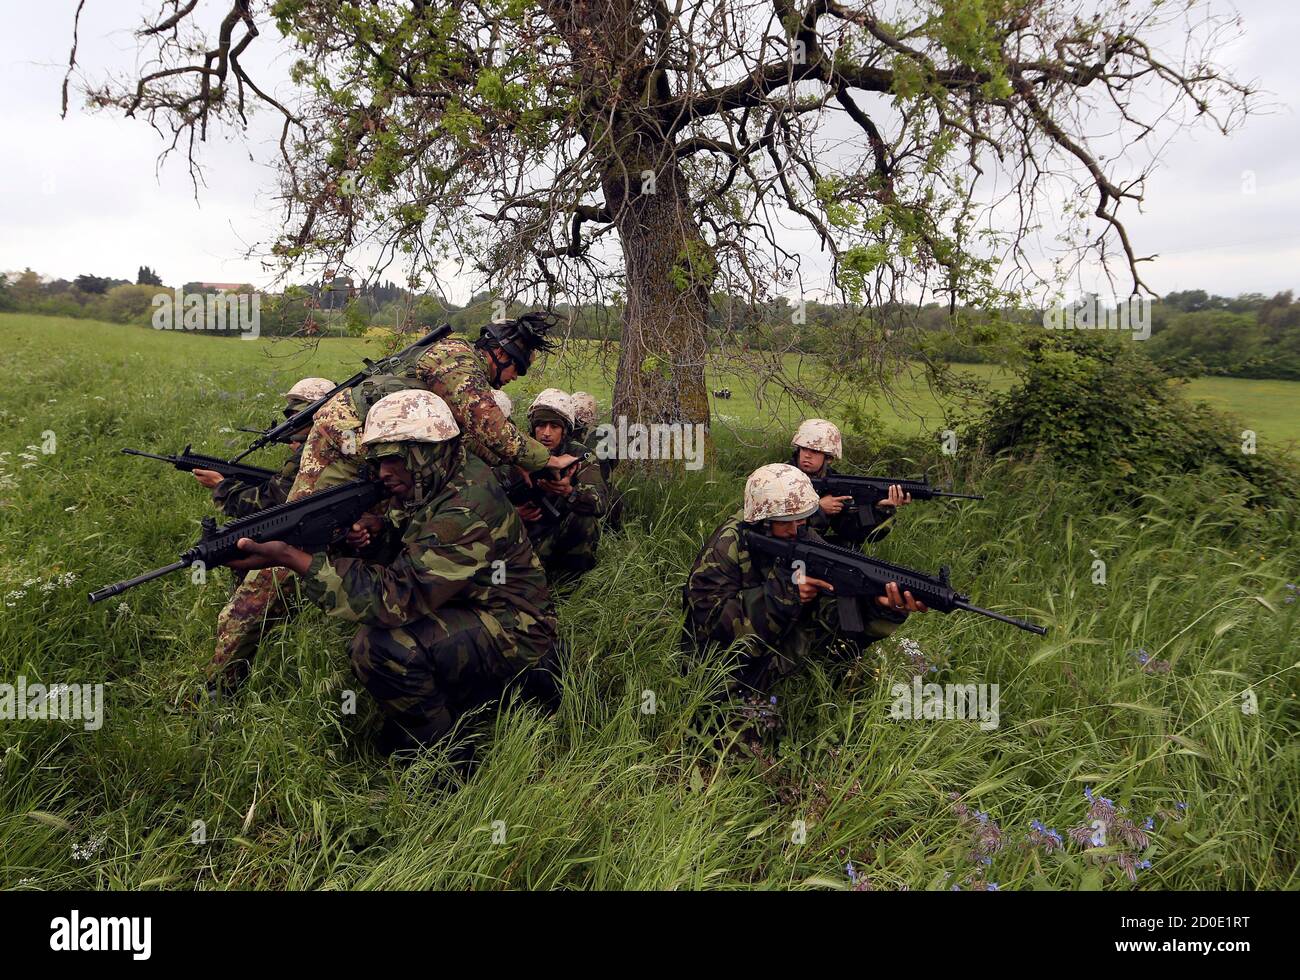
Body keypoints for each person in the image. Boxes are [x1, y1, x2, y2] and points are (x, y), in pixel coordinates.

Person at [207, 313, 570, 688]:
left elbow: (468, 437)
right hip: (350, 444)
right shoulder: (458, 358)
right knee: (294, 538)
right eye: (518, 370)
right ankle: (226, 667)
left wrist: (517, 463)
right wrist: (547, 460)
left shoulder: (450, 364)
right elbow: (489, 428)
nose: (513, 380)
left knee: (372, 535)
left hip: (384, 449)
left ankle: (385, 635)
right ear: (501, 354)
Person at [228, 389, 559, 756]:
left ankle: (444, 760)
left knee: (381, 647)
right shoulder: (446, 470)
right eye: (378, 461)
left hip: (518, 627)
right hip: (472, 600)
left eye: (394, 461)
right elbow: (412, 536)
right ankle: (453, 698)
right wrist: (372, 534)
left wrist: (292, 558)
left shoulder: (464, 510)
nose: (383, 474)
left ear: (426, 451)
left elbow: (393, 600)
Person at [683, 463, 926, 697]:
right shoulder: (724, 548)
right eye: (786, 522)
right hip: (716, 665)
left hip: (779, 649)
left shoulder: (801, 534)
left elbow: (833, 611)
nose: (796, 529)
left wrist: (878, 606)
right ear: (762, 521)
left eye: (803, 519)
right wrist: (788, 592)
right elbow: (711, 626)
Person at [501, 388, 607, 583]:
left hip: (558, 532)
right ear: (533, 427)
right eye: (541, 425)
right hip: (520, 534)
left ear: (565, 429)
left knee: (585, 521)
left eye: (554, 426)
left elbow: (599, 502)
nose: (546, 433)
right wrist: (512, 513)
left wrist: (570, 492)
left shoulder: (579, 455)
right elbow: (483, 500)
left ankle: (570, 583)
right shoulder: (517, 452)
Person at [192, 377, 334, 519]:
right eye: (290, 414)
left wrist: (221, 486)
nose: (292, 420)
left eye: (298, 413)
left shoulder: (310, 455)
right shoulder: (338, 443)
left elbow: (269, 505)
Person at [789, 418, 911, 549]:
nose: (807, 455)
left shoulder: (835, 483)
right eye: (804, 449)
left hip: (806, 546)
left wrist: (881, 510)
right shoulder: (782, 476)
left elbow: (855, 532)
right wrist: (818, 508)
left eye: (815, 451)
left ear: (829, 458)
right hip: (780, 544)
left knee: (850, 548)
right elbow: (777, 524)